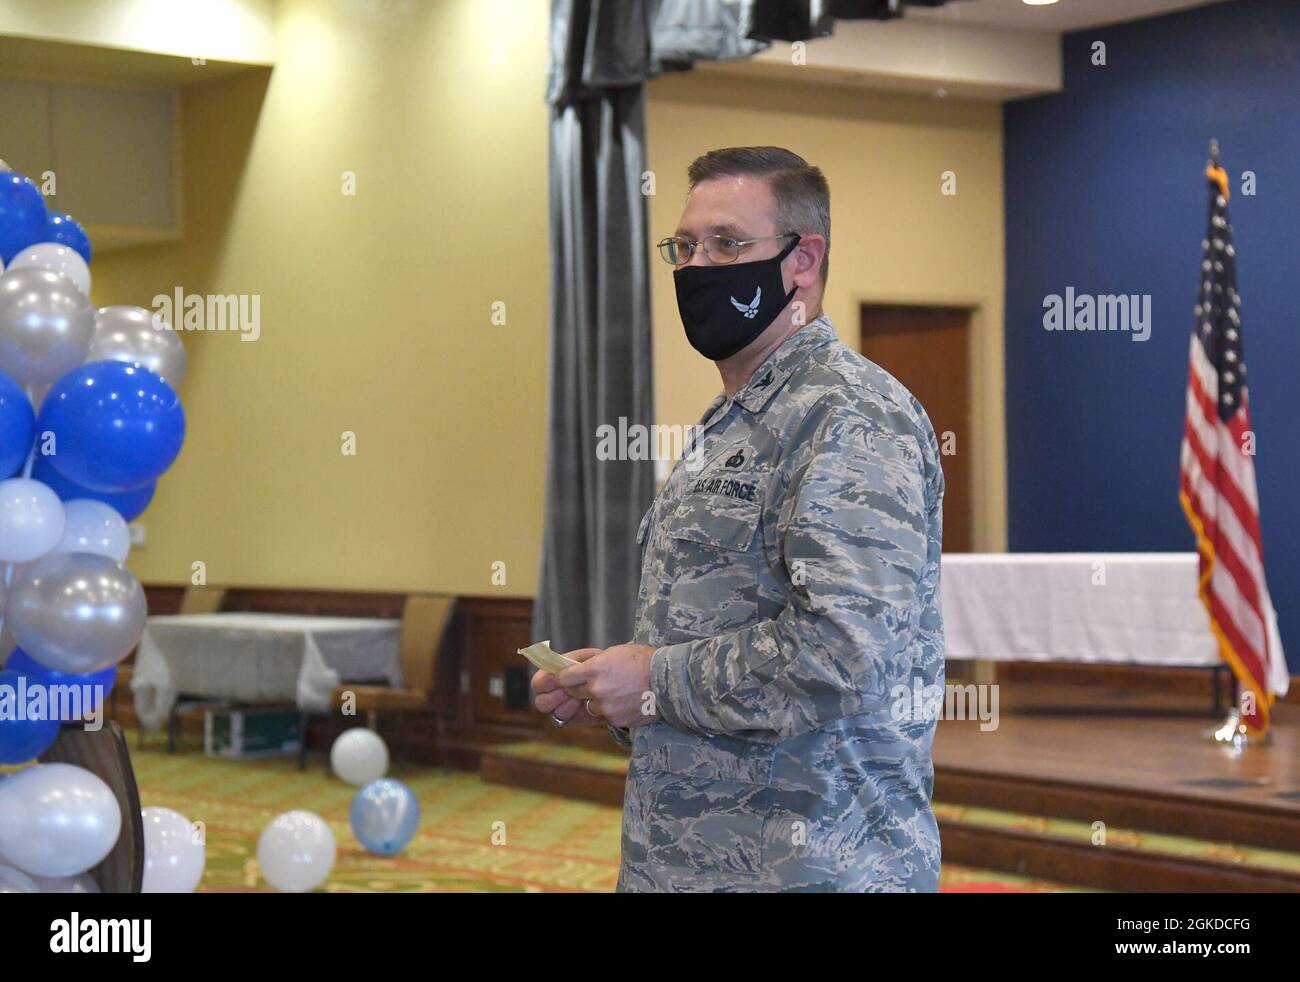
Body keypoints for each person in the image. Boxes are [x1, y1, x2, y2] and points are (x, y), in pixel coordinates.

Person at [532, 146, 946, 892]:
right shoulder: (730, 421)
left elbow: (846, 652)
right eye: (684, 247)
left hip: (813, 866)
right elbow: (715, 628)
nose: (697, 267)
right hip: (694, 862)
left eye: (728, 244)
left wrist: (658, 676)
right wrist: (615, 684)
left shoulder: (848, 415)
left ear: (802, 261)